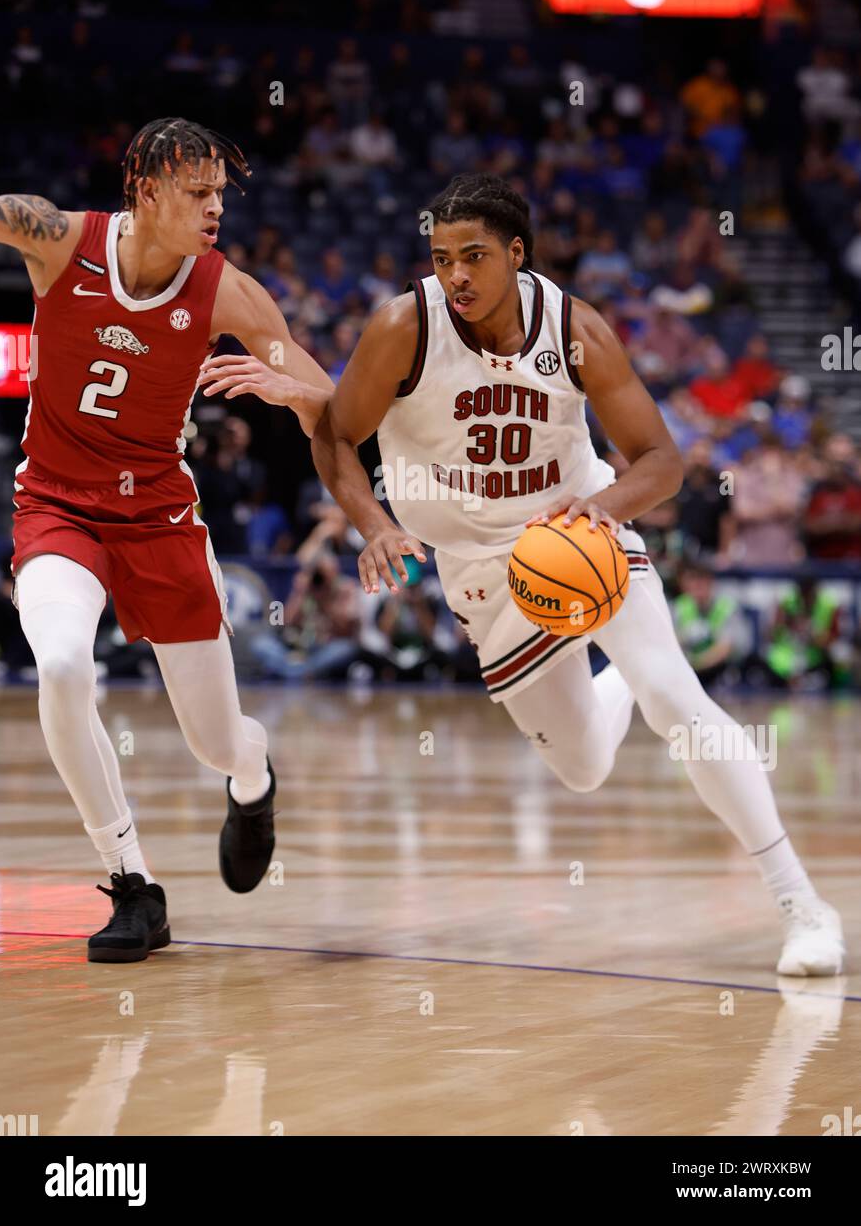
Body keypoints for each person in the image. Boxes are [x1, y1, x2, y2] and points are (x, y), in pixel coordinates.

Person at [294, 172, 840, 978]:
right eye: (442, 258)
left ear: (517, 254)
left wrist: (605, 508)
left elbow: (663, 461)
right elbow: (337, 437)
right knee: (583, 768)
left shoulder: (576, 329)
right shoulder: (401, 329)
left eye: (474, 256)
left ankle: (800, 903)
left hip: (580, 535)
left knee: (677, 699)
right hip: (483, 574)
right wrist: (373, 524)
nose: (457, 276)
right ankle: (619, 683)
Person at [0, 117, 334, 963]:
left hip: (159, 517)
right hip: (57, 506)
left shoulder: (227, 291)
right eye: (199, 191)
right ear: (145, 190)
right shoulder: (59, 240)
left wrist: (284, 386)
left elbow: (330, 399)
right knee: (66, 664)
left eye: (222, 191)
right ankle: (131, 883)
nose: (218, 206)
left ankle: (251, 780)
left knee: (214, 741)